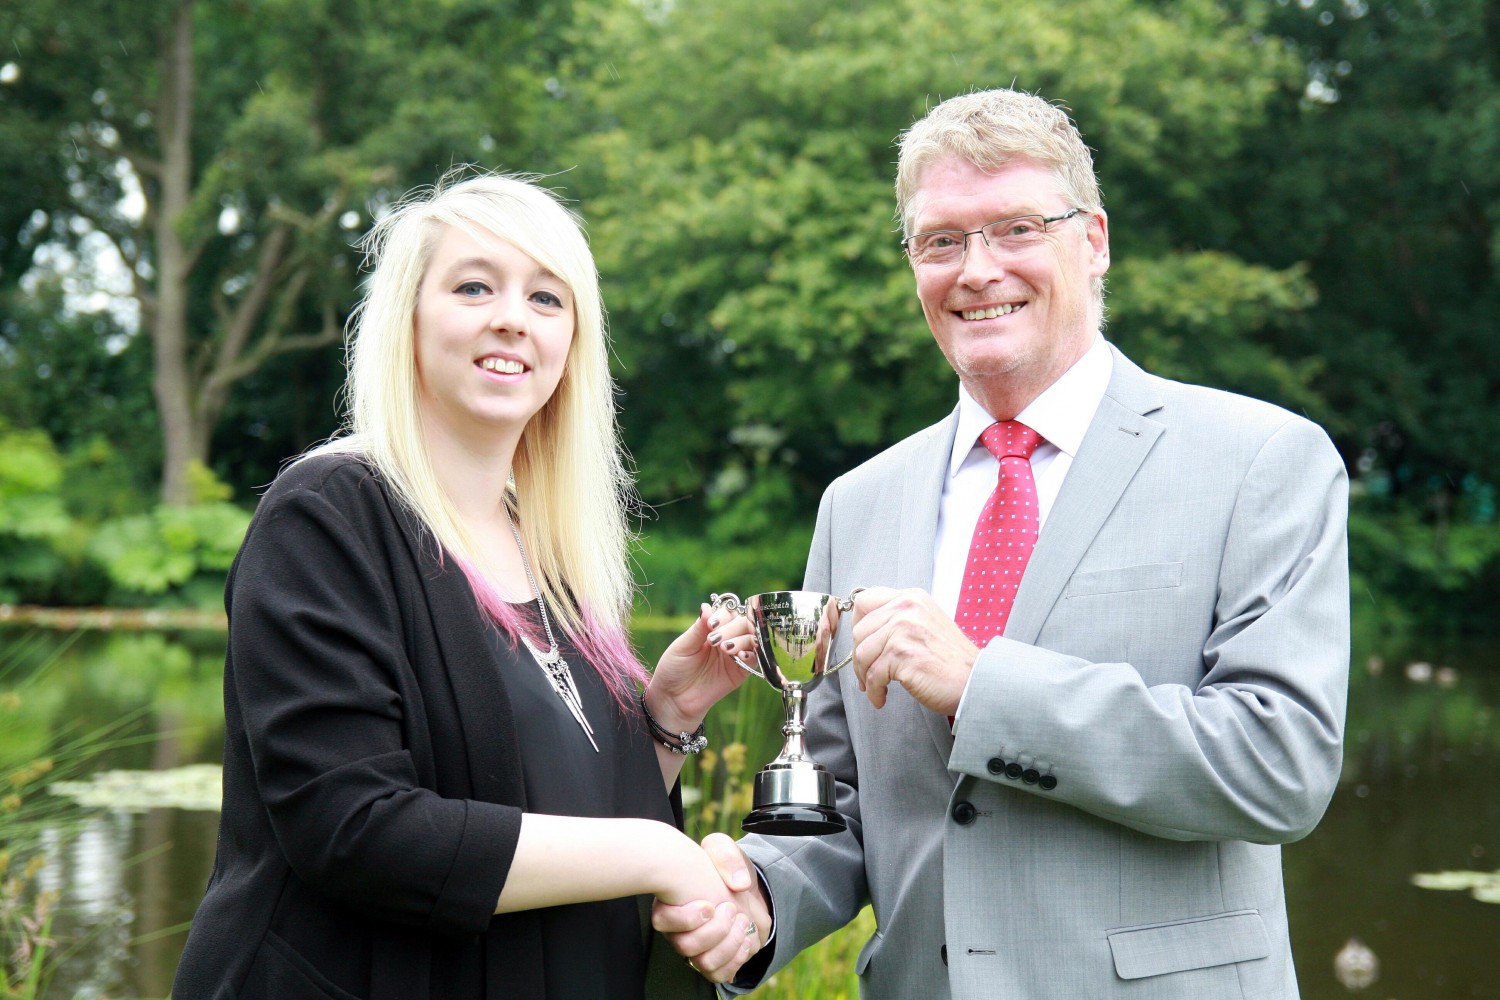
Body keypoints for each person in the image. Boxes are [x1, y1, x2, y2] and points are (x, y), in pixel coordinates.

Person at [654, 88, 1350, 999]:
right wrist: (763, 906)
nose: (977, 270)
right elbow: (845, 804)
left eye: (1017, 228)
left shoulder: (1262, 460)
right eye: (941, 241)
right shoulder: (856, 503)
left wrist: (983, 686)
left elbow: (1279, 766)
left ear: (1093, 240)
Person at [172, 172, 764, 999]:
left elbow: (545, 811)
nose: (513, 318)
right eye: (474, 286)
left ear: (574, 345)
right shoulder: (330, 512)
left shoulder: (549, 547)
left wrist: (665, 720)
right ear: (408, 319)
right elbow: (353, 828)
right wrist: (661, 853)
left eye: (547, 299)